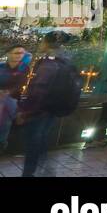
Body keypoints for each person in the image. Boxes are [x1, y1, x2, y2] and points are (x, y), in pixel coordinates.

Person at [15, 32, 82, 176]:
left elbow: (38, 93)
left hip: (38, 113)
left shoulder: (48, 65)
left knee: (33, 146)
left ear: (47, 44)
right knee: (42, 142)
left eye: (43, 41)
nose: (41, 44)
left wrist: (24, 112)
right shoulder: (65, 61)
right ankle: (44, 171)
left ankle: (30, 174)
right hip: (52, 110)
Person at [0, 44, 30, 151]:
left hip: (11, 101)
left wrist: (6, 93)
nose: (20, 55)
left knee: (6, 104)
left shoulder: (24, 68)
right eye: (17, 53)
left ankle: (2, 143)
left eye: (22, 53)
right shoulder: (1, 67)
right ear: (8, 54)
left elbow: (19, 86)